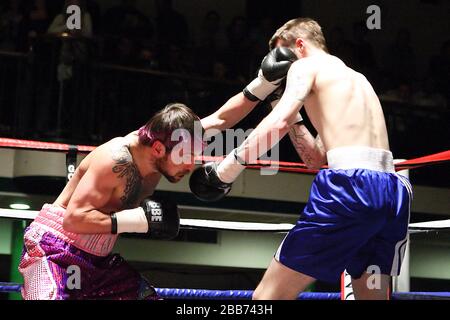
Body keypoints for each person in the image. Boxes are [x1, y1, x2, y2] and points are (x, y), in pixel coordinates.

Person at [191, 18, 412, 300]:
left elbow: (277, 123)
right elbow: (317, 160)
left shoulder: (306, 66)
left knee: (266, 298)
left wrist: (226, 170)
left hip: (350, 189)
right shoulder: (358, 80)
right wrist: (287, 109)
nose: (283, 68)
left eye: (283, 55)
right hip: (393, 193)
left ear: (299, 45)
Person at [19, 103, 203, 300]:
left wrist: (243, 95)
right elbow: (72, 219)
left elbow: (220, 119)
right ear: (158, 148)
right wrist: (137, 221)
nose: (191, 164)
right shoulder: (115, 159)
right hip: (56, 247)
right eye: (187, 155)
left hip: (98, 261)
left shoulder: (167, 143)